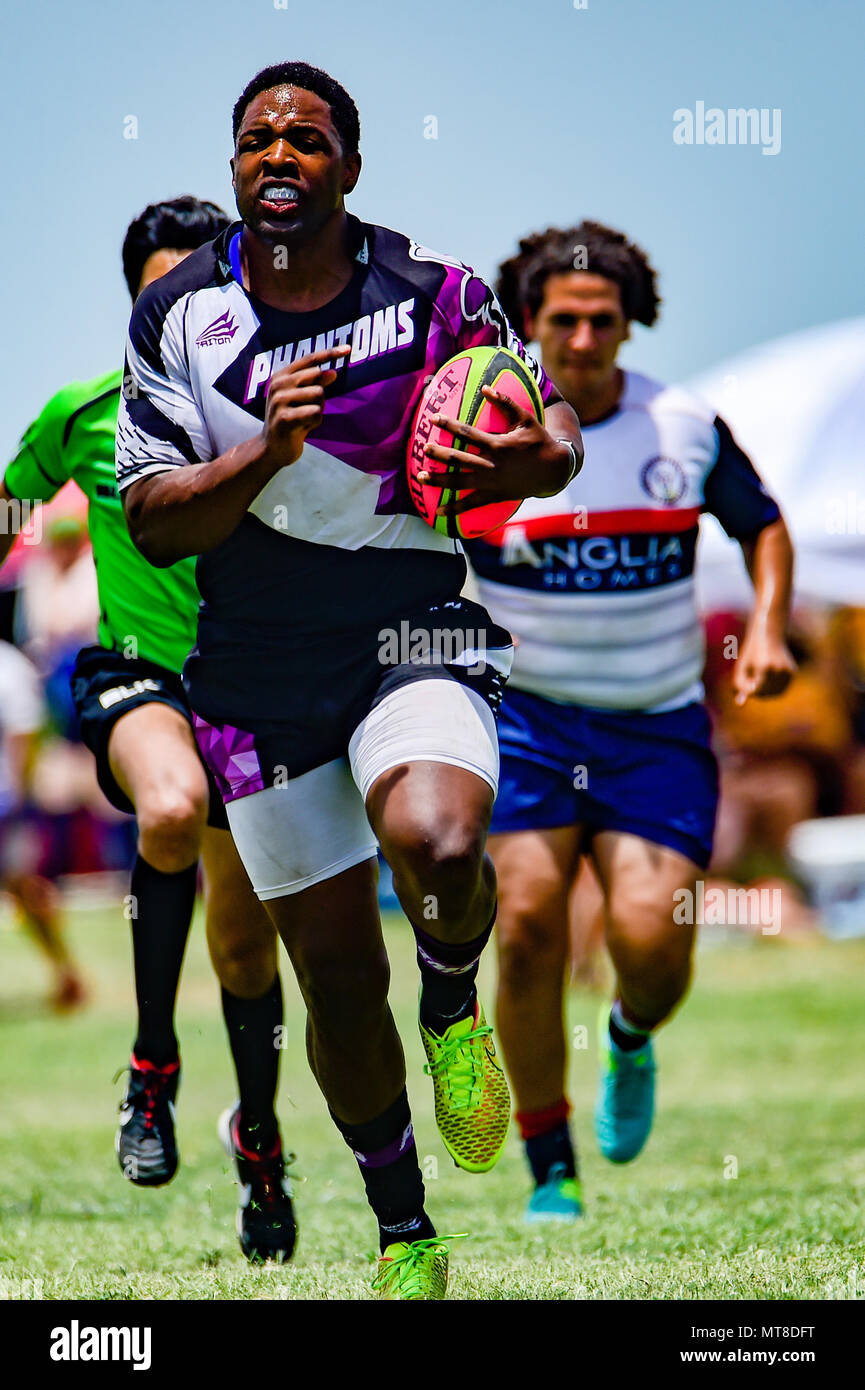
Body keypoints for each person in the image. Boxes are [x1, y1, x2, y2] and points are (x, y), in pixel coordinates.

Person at [117, 62, 582, 1299]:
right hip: (253, 675)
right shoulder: (179, 320)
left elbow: (549, 435)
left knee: (437, 841)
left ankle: (452, 1003)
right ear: (234, 167)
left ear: (349, 168)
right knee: (330, 976)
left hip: (410, 627)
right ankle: (402, 1229)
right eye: (258, 139)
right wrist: (267, 450)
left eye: (308, 141)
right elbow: (155, 519)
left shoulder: (434, 291)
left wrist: (527, 457)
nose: (281, 157)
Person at [463, 221, 795, 1221]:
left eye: (601, 320)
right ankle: (549, 1162)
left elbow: (762, 521)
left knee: (653, 945)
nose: (581, 338)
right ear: (528, 323)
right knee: (523, 928)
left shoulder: (681, 426)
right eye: (561, 319)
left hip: (654, 727)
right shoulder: (477, 436)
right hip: (525, 720)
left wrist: (770, 628)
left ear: (628, 325)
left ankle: (627, 1034)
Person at [1, 197, 293, 1263]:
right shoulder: (82, 411)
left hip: (254, 691)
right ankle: (151, 1070)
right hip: (136, 678)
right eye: (157, 293)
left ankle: (258, 1139)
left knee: (245, 948)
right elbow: (9, 502)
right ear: (133, 299)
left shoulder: (272, 409)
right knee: (168, 805)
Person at [0, 637, 87, 1009]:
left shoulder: (8, 666)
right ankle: (66, 973)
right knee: (24, 888)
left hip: (6, 805)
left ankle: (66, 972)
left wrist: (17, 801)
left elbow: (25, 735)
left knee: (25, 888)